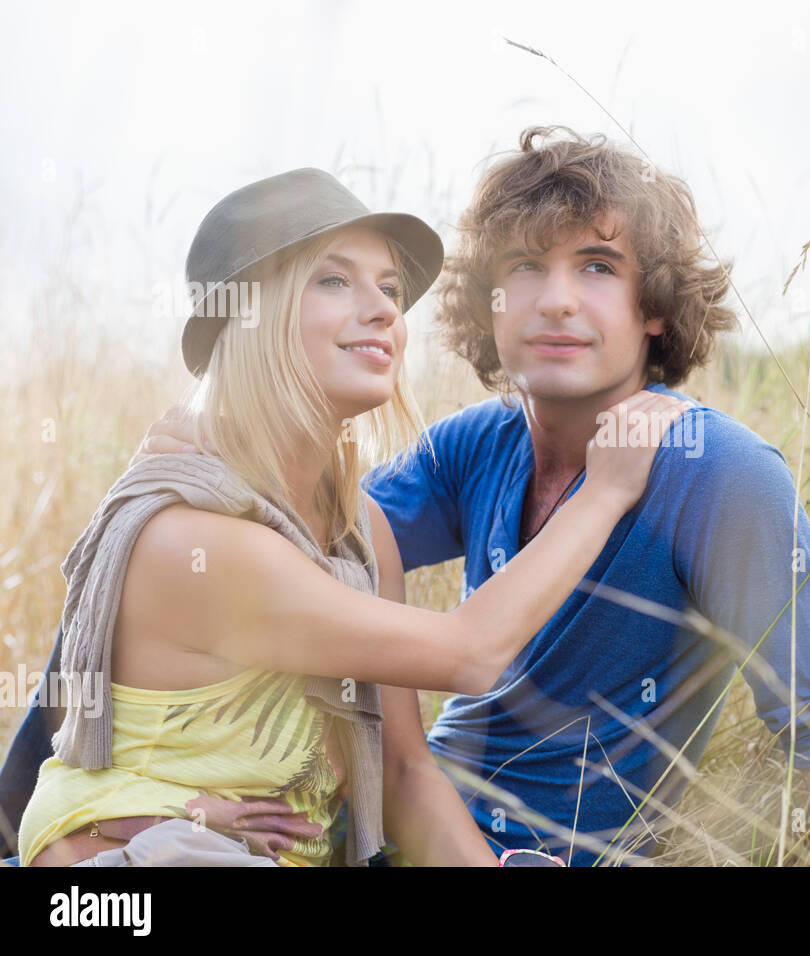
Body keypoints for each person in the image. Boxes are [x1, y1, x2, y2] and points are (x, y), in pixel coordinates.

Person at [7, 167, 687, 867]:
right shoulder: (198, 539)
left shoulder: (360, 532)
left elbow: (403, 778)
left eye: (389, 289)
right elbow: (470, 652)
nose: (384, 310)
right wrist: (603, 493)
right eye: (334, 281)